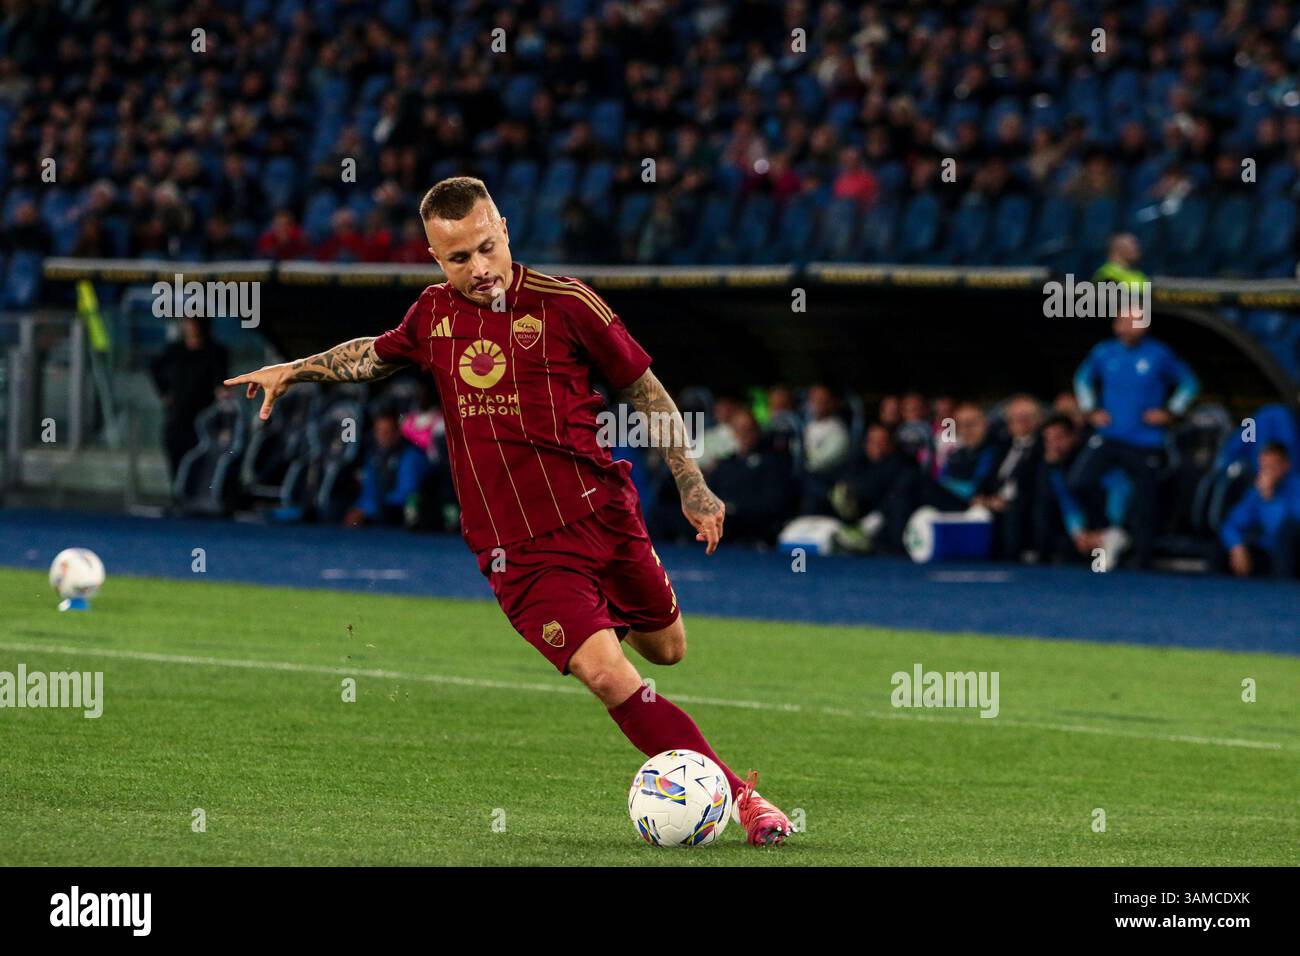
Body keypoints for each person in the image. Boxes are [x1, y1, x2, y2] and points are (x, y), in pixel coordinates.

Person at [225, 176, 792, 846]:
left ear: (504, 229)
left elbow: (645, 389)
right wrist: (294, 369)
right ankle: (742, 799)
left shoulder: (567, 302)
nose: (479, 268)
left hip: (604, 514)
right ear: (437, 259)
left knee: (668, 649)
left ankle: (599, 615)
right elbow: (370, 358)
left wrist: (691, 485)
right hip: (520, 550)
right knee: (611, 675)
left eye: (486, 248)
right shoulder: (431, 317)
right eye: (458, 258)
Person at [1069, 306, 1199, 567]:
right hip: (1109, 435)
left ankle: (1141, 558)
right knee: (1079, 482)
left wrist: (1171, 411)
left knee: (1146, 498)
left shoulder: (1159, 353)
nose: (1131, 325)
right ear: (1116, 324)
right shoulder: (1103, 352)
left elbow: (1190, 383)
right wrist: (1089, 409)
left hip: (1145, 439)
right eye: (1126, 320)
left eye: (1137, 320)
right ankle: (1105, 530)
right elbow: (1082, 379)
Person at [150, 316, 229, 481]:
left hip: (202, 418)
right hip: (177, 417)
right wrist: (164, 392)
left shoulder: (215, 352)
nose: (192, 327)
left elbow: (222, 385)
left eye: (195, 323)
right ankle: (178, 498)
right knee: (176, 461)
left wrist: (224, 422)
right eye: (188, 323)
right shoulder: (175, 350)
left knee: (199, 466)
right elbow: (154, 368)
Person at [1220, 442, 1300, 579]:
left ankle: (1284, 593)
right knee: (1224, 549)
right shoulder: (1256, 492)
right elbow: (1231, 524)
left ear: (1286, 465)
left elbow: (1283, 528)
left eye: (1272, 467)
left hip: (1293, 554)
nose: (1266, 471)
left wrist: (1269, 498)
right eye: (1263, 466)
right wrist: (1236, 545)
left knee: (1286, 537)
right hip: (1267, 551)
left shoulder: (1296, 488)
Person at [344, 411, 431, 528]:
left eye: (387, 432)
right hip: (380, 509)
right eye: (378, 431)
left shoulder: (411, 455)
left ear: (397, 433)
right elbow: (369, 491)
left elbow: (406, 493)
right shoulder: (373, 456)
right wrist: (360, 509)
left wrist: (368, 512)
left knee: (385, 513)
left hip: (403, 512)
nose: (382, 436)